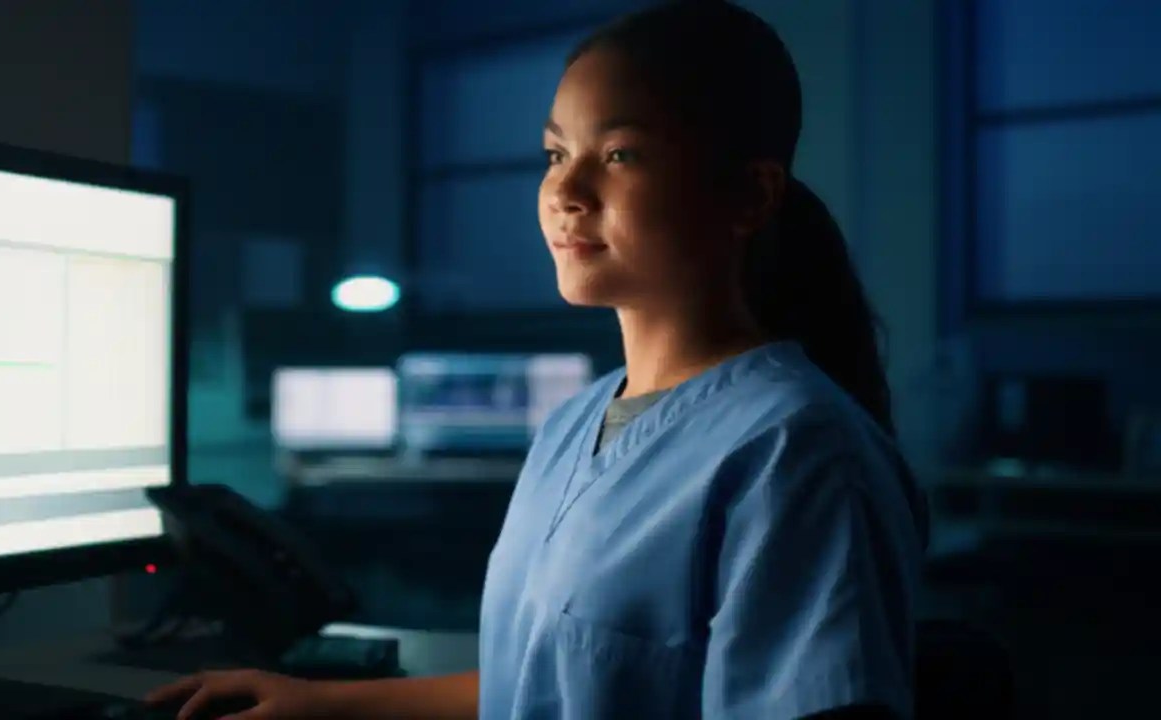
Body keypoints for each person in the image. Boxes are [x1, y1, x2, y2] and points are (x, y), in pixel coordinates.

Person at [147, 1, 928, 718]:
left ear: (750, 196)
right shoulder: (572, 426)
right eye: (556, 153)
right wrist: (326, 704)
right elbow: (549, 682)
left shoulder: (796, 453)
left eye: (619, 154)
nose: (566, 191)